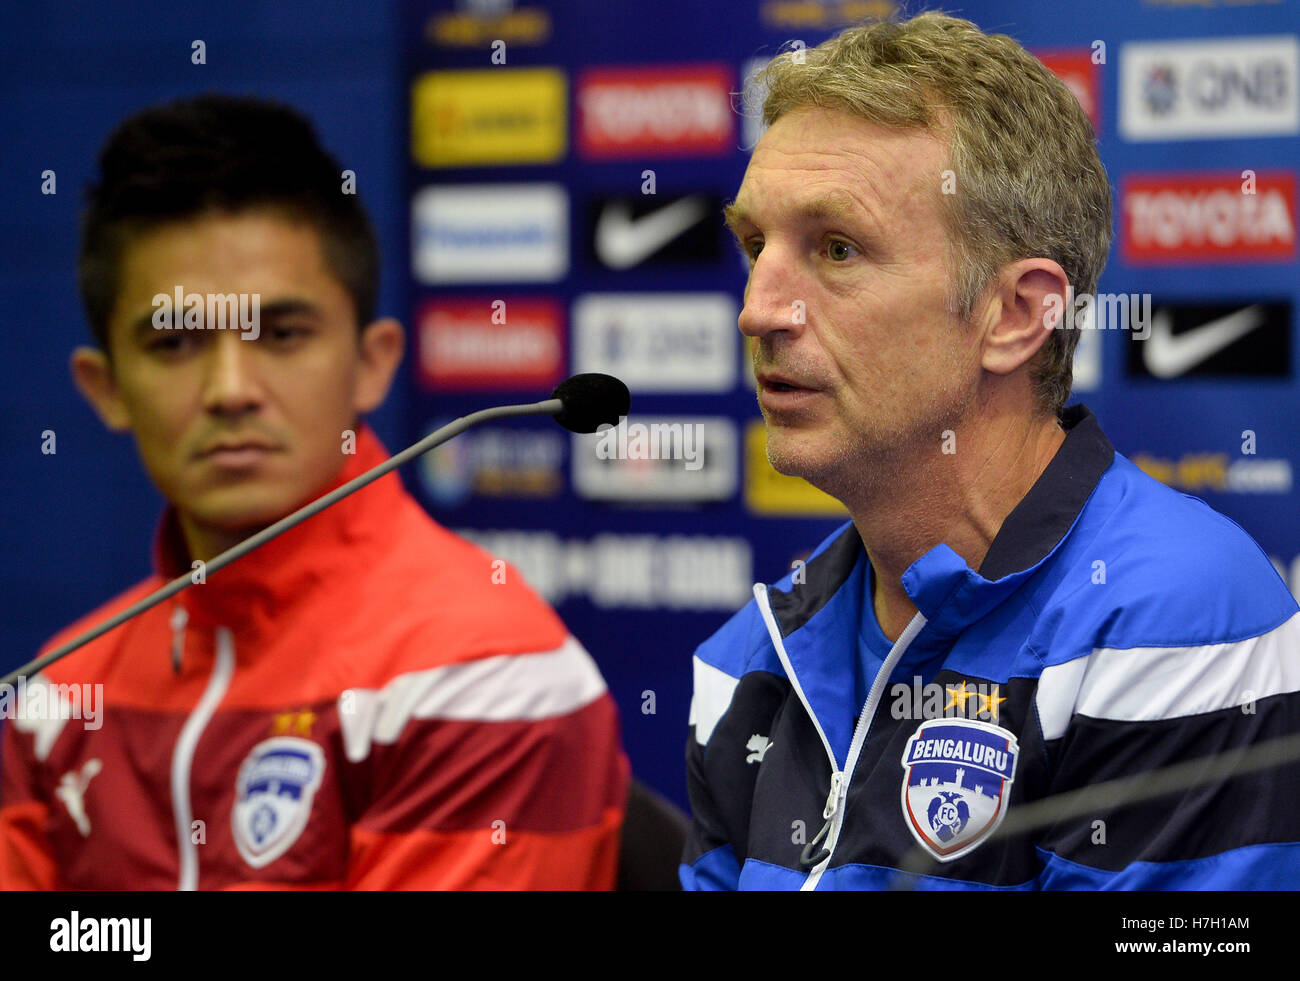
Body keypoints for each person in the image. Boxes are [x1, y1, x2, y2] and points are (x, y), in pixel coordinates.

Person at [681, 12, 1300, 890]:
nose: (758, 308)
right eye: (755, 246)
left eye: (838, 248)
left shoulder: (1176, 627)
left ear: (1016, 316)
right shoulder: (749, 657)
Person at [0, 94, 629, 889]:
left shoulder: (484, 674)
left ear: (373, 361)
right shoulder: (59, 693)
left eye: (282, 334)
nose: (230, 389)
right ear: (106, 387)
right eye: (175, 343)